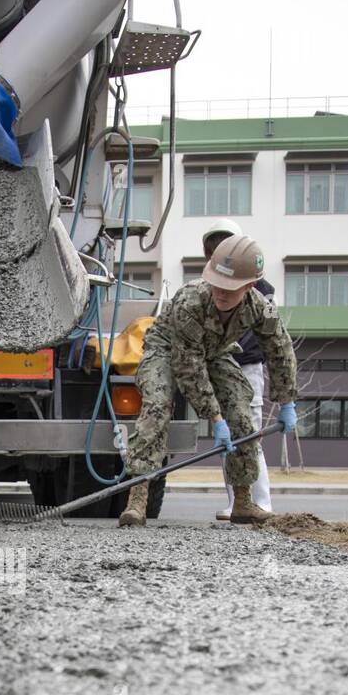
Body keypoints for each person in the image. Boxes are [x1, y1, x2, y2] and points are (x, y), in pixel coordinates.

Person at [118, 235, 297, 527]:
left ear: (249, 286)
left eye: (230, 288)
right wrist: (214, 418)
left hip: (214, 351)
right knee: (157, 406)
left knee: (241, 412)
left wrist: (287, 401)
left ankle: (242, 501)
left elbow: (280, 349)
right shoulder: (191, 301)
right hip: (167, 348)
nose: (221, 293)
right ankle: (137, 500)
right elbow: (188, 366)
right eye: (217, 284)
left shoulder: (259, 307)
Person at [198, 218, 275, 519]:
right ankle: (237, 502)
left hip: (248, 365)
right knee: (227, 436)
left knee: (249, 433)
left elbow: (270, 333)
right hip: (219, 367)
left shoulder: (261, 288)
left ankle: (262, 501)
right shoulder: (207, 287)